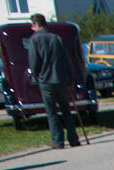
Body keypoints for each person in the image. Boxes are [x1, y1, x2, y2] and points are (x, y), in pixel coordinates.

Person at [27, 13, 79, 149]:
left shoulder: (34, 40)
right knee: (66, 109)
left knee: (51, 112)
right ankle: (73, 139)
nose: (32, 28)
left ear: (36, 24)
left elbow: (34, 62)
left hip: (46, 80)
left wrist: (36, 75)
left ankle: (58, 141)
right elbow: (66, 59)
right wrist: (70, 77)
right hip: (61, 78)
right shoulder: (56, 38)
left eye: (32, 25)